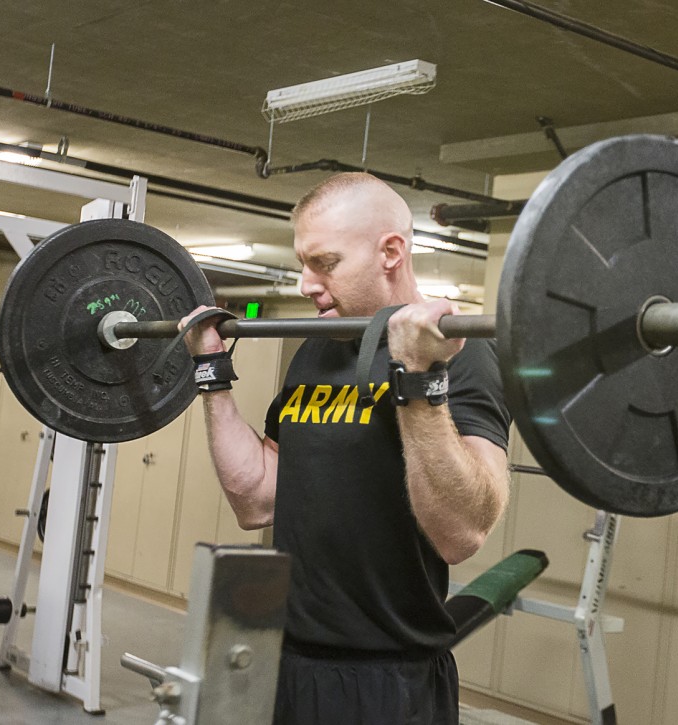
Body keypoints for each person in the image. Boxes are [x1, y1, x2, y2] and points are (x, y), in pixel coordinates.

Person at [180, 172, 511, 725]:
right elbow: (256, 500)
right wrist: (211, 374)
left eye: (325, 263)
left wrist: (419, 377)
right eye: (303, 263)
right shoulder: (316, 351)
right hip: (287, 660)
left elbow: (463, 533)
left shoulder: (463, 354)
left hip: (390, 680)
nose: (307, 283)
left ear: (391, 252)